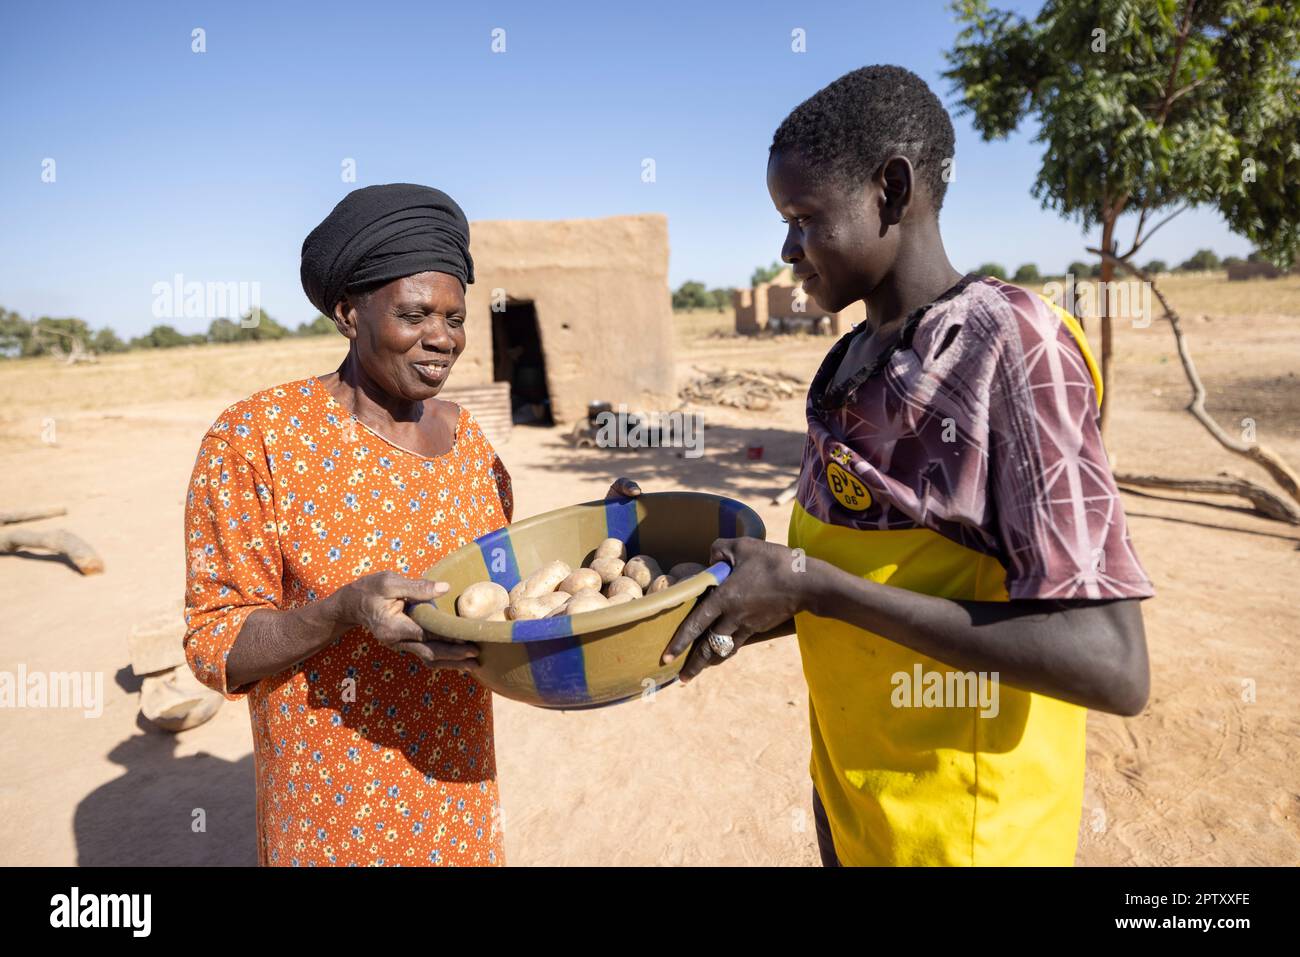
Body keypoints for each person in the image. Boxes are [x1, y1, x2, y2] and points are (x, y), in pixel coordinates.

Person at [662, 66, 1155, 866]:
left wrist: (812, 586)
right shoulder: (850, 363)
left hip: (969, 832)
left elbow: (1111, 663)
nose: (787, 249)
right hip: (860, 805)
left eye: (804, 218)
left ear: (892, 188)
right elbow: (873, 580)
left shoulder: (1009, 347)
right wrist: (746, 604)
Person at [183, 182, 631, 865]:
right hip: (332, 811)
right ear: (347, 313)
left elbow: (502, 589)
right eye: (414, 313)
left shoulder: (468, 444)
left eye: (454, 318)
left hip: (459, 788)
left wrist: (600, 539)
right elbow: (215, 642)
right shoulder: (258, 440)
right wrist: (338, 612)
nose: (441, 338)